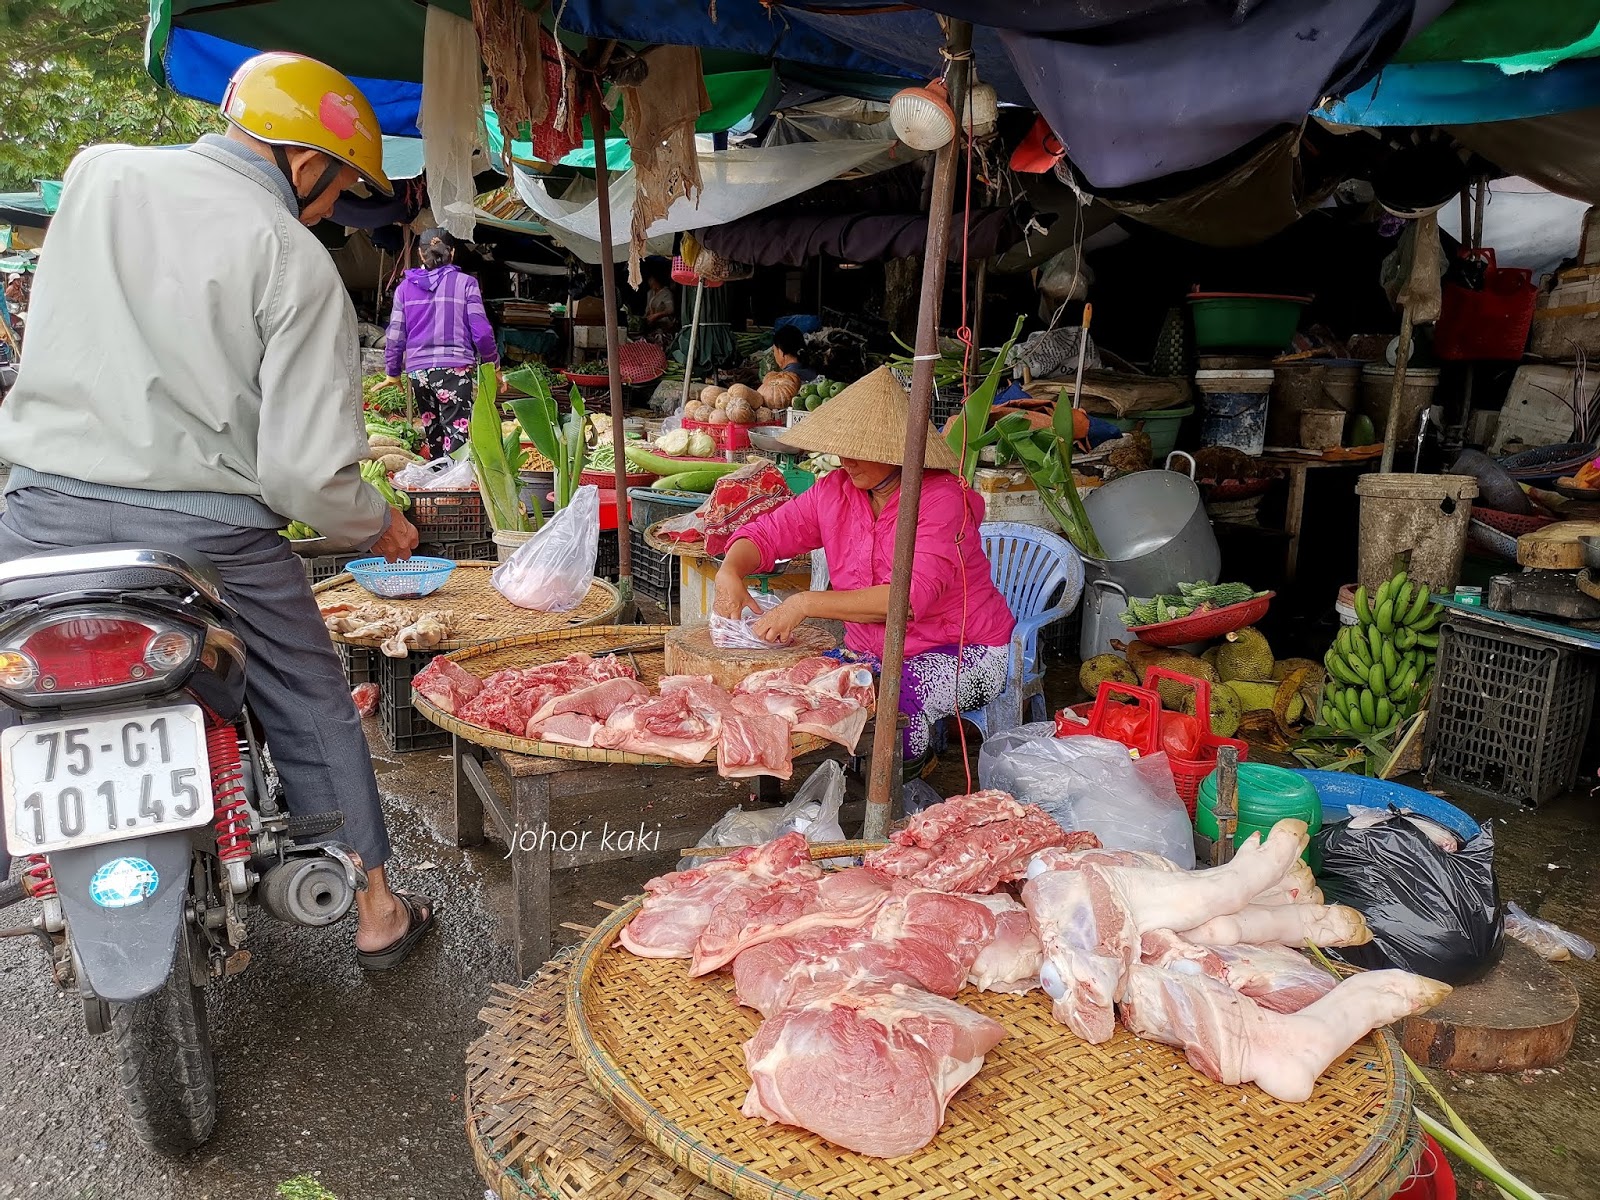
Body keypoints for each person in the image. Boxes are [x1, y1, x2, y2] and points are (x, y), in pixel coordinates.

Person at [0, 52, 434, 969]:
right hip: (211, 538)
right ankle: (376, 910)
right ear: (305, 161)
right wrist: (376, 521)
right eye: (337, 192)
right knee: (310, 695)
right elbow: (306, 477)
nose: (330, 212)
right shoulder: (294, 259)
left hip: (42, 516)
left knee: (15, 676)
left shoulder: (98, 173)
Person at [713, 367, 1015, 772]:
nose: (846, 460)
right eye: (842, 449)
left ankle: (901, 783)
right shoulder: (835, 490)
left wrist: (804, 603)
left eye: (859, 450)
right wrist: (731, 570)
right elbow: (766, 534)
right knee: (792, 688)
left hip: (965, 651)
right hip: (870, 651)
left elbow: (908, 600)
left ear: (896, 451)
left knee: (889, 699)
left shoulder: (942, 501)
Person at [383, 228, 499, 458]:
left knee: (433, 434)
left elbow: (395, 335)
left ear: (420, 253)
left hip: (419, 372)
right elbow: (482, 332)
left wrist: (392, 372)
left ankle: (438, 475)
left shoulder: (404, 288)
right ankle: (454, 478)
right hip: (454, 368)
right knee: (457, 436)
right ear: (452, 253)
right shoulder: (466, 283)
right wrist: (493, 364)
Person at [641, 259, 678, 344]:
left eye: (652, 280)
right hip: (652, 325)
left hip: (664, 326)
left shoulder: (666, 293)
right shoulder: (650, 293)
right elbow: (648, 309)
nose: (650, 283)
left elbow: (671, 309)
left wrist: (657, 315)